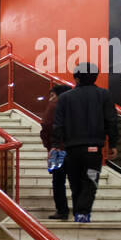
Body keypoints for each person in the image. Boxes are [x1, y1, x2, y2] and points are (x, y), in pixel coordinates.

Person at [52, 65, 118, 223]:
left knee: (75, 182)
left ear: (76, 78)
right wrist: (113, 143)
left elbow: (58, 124)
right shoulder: (104, 95)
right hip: (94, 149)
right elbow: (111, 120)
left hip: (72, 149)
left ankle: (78, 213)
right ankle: (82, 213)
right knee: (90, 180)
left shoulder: (65, 98)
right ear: (95, 77)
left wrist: (55, 144)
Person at [39, 83, 74, 220]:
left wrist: (49, 146)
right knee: (75, 181)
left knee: (58, 181)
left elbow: (46, 127)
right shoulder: (76, 108)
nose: (49, 99)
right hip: (74, 150)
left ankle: (62, 211)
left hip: (56, 150)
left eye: (52, 95)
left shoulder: (53, 106)